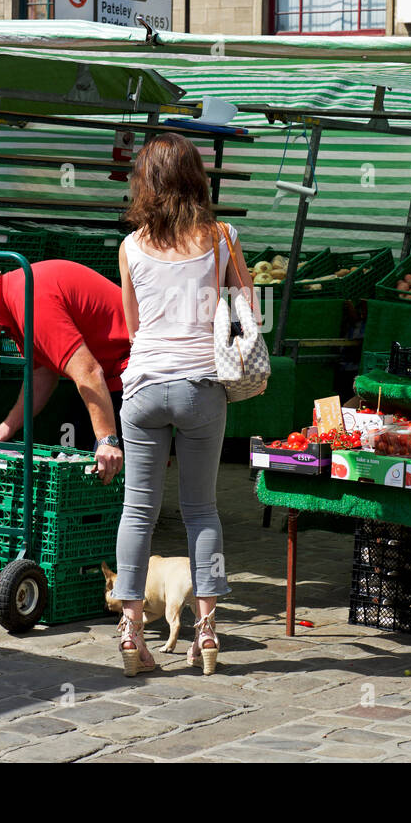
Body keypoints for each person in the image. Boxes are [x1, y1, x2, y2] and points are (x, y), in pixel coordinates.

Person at [110, 132, 257, 677]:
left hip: (143, 387)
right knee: (202, 511)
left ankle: (130, 631)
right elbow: (249, 316)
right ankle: (208, 633)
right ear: (197, 178)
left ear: (146, 184)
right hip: (202, 388)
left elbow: (133, 328)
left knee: (137, 511)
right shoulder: (223, 237)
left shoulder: (129, 247)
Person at [0, 259, 130, 484]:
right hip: (115, 376)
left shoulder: (27, 300)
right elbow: (41, 374)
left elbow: (89, 371)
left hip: (138, 371)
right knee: (87, 470)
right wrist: (7, 427)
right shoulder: (12, 302)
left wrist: (108, 441)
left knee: (110, 477)